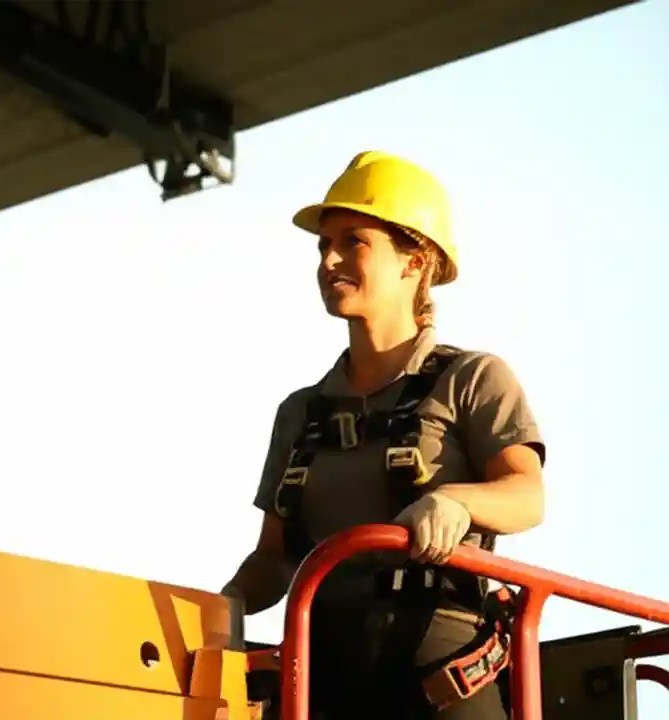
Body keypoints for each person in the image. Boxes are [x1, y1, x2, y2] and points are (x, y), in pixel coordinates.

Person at [221, 151, 546, 719]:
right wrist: (221, 608)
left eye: (353, 242)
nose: (329, 260)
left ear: (414, 260)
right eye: (323, 245)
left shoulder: (472, 379)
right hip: (322, 675)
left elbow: (527, 495)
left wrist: (456, 501)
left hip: (438, 674)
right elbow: (273, 559)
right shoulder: (301, 413)